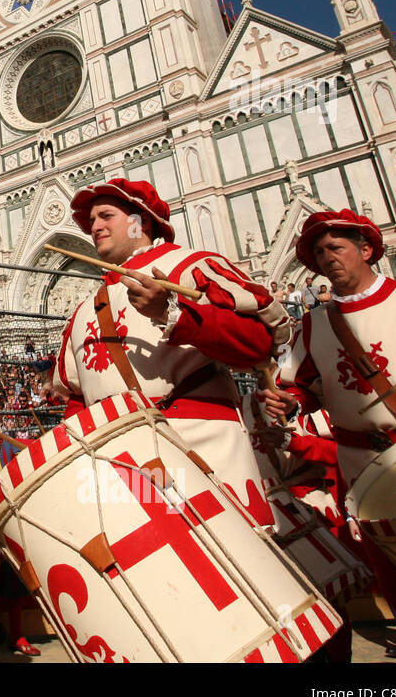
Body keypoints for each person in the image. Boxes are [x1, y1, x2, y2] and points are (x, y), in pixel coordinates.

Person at [260, 208, 396, 661]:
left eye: (335, 247)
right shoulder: (312, 324)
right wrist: (290, 403)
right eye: (318, 252)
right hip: (363, 473)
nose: (325, 258)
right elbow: (300, 387)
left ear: (366, 250)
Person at [48, 178, 291, 527]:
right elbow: (77, 398)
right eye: (91, 222)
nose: (94, 227)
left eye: (105, 216)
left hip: (199, 443)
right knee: (160, 569)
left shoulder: (189, 266)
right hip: (126, 464)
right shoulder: (85, 308)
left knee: (228, 561)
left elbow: (256, 345)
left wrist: (171, 314)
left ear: (140, 221)